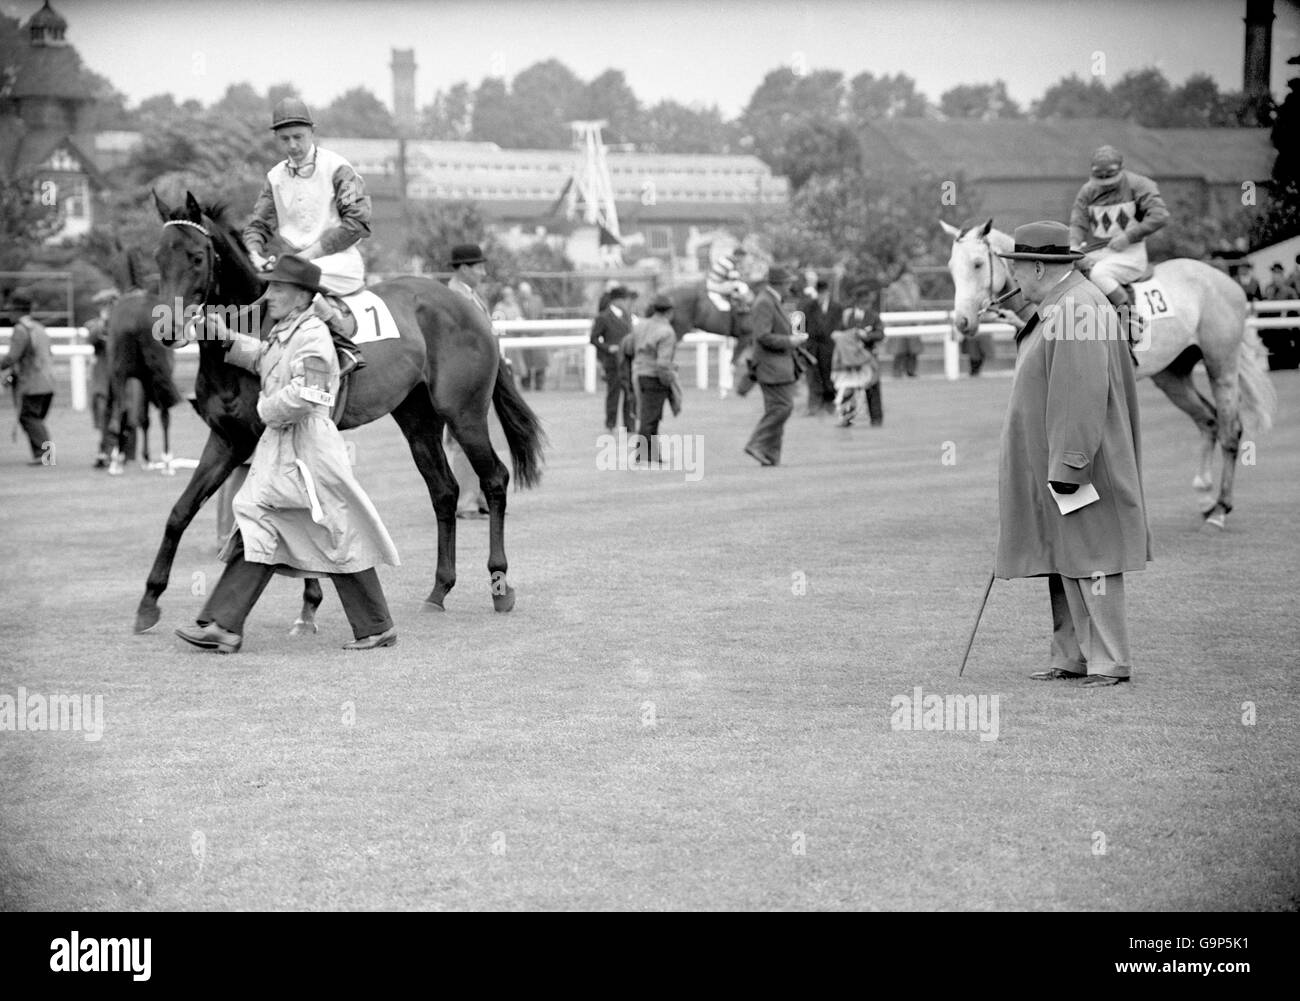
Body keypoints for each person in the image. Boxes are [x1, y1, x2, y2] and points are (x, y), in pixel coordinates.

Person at [176, 255, 400, 654]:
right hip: (287, 449)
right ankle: (223, 626)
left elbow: (310, 392)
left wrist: (262, 411)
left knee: (333, 533)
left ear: (301, 296)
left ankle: (376, 626)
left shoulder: (313, 335)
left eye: (278, 288)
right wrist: (225, 336)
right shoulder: (289, 331)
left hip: (309, 452)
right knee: (257, 522)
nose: (269, 295)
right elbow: (265, 359)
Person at [993, 221, 1150, 688]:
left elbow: (1079, 394)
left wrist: (1070, 465)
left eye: (1017, 270)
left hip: (1080, 462)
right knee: (1063, 559)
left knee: (1091, 557)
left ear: (1039, 266)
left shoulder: (1078, 306)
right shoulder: (1065, 304)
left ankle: (1108, 660)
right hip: (1062, 460)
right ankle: (1071, 656)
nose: (1015, 281)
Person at [243, 97, 371, 373]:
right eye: (285, 139)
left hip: (339, 261)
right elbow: (258, 224)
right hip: (294, 264)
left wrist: (309, 255)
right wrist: (253, 252)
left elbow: (357, 223)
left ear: (312, 132)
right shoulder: (275, 177)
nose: (292, 145)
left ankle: (345, 349)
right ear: (277, 139)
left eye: (298, 137)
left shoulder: (339, 168)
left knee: (294, 286)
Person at [1069, 144, 1170, 321]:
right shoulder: (1087, 191)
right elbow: (1078, 223)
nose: (1105, 184)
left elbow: (1160, 215)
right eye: (1099, 178)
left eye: (1110, 177)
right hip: (1100, 252)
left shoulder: (1139, 185)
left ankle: (1131, 319)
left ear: (1121, 170)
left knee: (1100, 274)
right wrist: (1074, 246)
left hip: (1131, 253)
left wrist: (1129, 236)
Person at [444, 243, 500, 519]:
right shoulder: (454, 296)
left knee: (477, 438)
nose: (483, 272)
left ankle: (477, 496)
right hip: (462, 376)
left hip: (475, 375)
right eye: (478, 267)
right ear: (464, 268)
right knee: (464, 439)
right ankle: (465, 502)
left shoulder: (471, 294)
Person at [743, 267, 809, 467]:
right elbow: (763, 336)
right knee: (783, 407)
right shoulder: (764, 302)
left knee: (776, 408)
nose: (791, 286)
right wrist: (790, 341)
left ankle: (771, 455)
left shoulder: (772, 301)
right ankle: (757, 443)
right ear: (780, 283)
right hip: (771, 365)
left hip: (778, 365)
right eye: (788, 282)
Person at [626, 293, 681, 465]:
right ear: (670, 312)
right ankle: (642, 454)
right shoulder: (667, 331)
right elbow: (663, 363)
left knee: (651, 415)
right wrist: (669, 380)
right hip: (655, 376)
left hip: (639, 373)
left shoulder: (640, 325)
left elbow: (628, 348)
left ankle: (652, 454)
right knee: (650, 418)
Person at [1, 291, 55, 466]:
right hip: (48, 382)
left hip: (31, 384)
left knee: (29, 418)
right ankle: (42, 454)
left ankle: (46, 455)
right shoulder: (39, 328)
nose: (8, 314)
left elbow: (11, 357)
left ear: (17, 311)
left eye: (10, 310)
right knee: (34, 419)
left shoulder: (20, 330)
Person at [831, 284, 884, 427]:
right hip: (850, 358)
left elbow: (880, 334)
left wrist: (866, 335)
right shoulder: (847, 316)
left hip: (868, 357)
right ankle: (846, 417)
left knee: (872, 387)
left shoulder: (873, 316)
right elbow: (838, 332)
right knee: (848, 388)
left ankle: (876, 419)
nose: (865, 304)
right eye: (862, 301)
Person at [590, 285, 636, 432]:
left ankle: (629, 424)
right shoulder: (603, 317)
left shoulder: (628, 316)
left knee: (629, 392)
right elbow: (594, 338)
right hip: (612, 361)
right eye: (624, 299)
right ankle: (611, 424)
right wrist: (608, 347)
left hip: (627, 360)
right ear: (617, 300)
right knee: (613, 393)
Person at [86, 287, 119, 468]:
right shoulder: (95, 324)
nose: (103, 308)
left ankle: (111, 452)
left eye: (106, 305)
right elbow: (91, 338)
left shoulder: (123, 324)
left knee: (118, 416)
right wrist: (104, 321)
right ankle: (105, 452)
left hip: (119, 378)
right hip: (102, 378)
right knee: (103, 416)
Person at [799, 279, 841, 416]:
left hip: (829, 347)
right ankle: (814, 405)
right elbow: (799, 325)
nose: (822, 296)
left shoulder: (836, 307)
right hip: (813, 346)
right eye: (820, 293)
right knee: (813, 377)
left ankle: (830, 404)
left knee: (829, 377)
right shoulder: (808, 306)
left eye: (824, 293)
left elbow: (840, 326)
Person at [884, 265, 922, 377]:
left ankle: (911, 371)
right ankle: (897, 371)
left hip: (913, 321)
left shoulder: (915, 287)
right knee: (899, 350)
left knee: (913, 349)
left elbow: (918, 303)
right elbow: (889, 304)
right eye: (906, 274)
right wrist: (902, 305)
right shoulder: (894, 287)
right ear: (901, 275)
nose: (909, 277)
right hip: (900, 322)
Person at [517, 280, 549, 390]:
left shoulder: (537, 300)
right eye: (522, 292)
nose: (524, 294)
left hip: (538, 335)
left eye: (526, 291)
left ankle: (540, 385)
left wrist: (538, 332)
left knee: (540, 361)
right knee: (526, 363)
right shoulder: (517, 302)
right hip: (524, 336)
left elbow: (542, 316)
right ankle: (526, 385)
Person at [706, 245, 749, 312]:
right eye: (743, 258)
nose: (743, 260)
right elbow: (735, 279)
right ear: (739, 256)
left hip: (711, 284)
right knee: (742, 286)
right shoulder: (730, 263)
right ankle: (742, 305)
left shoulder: (724, 258)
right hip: (717, 285)